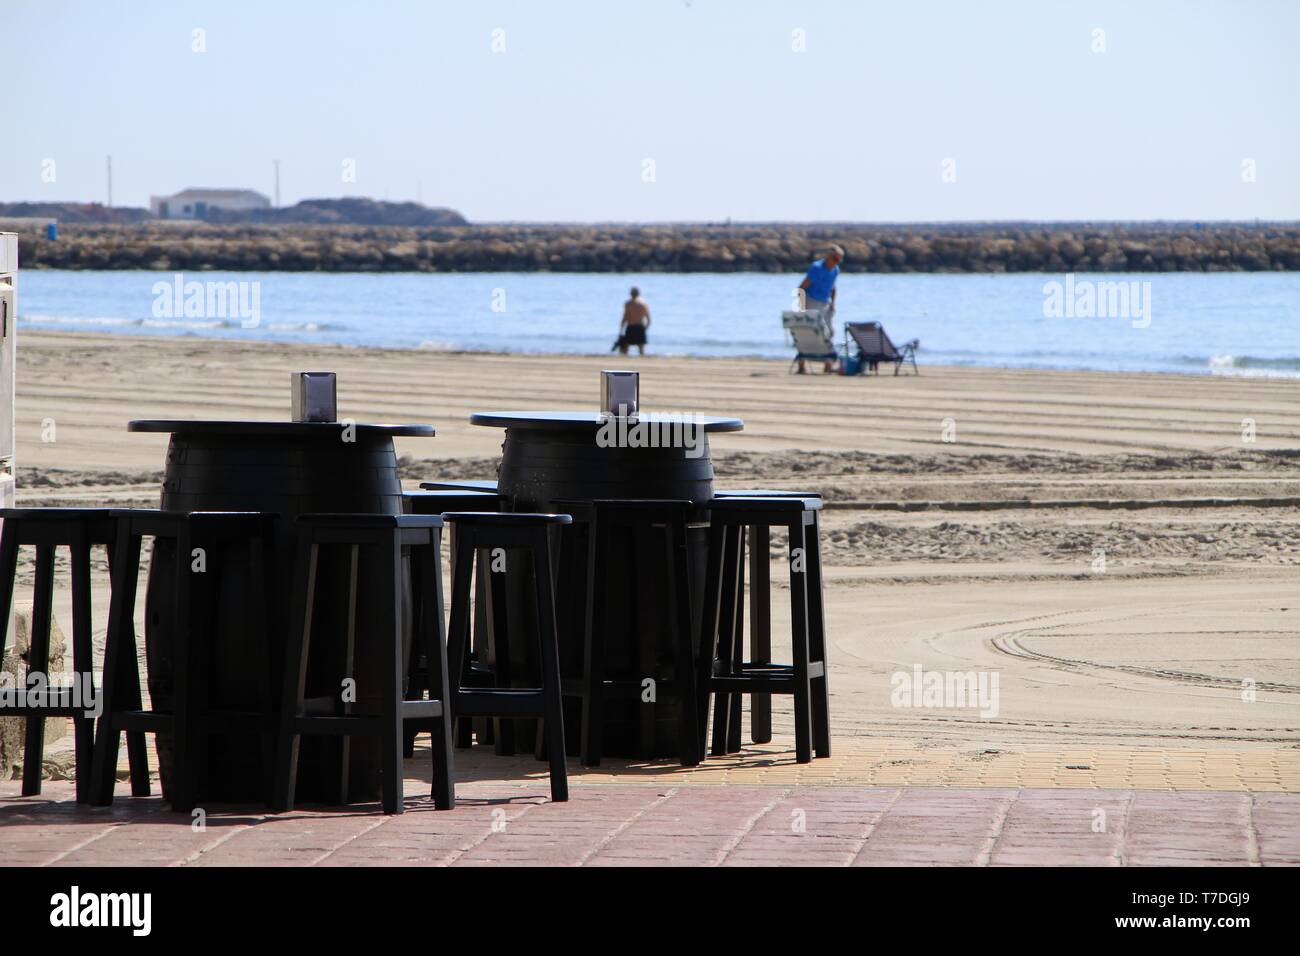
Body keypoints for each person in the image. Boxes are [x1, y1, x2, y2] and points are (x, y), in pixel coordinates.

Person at [795, 244, 843, 373]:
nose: (838, 262)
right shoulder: (817, 268)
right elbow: (801, 288)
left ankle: (828, 363)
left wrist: (833, 303)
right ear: (829, 257)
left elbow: (833, 287)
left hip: (825, 303)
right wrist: (803, 307)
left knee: (830, 332)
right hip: (811, 301)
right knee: (807, 332)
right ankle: (801, 364)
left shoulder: (835, 270)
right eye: (836, 259)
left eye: (840, 259)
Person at [618, 287, 651, 356]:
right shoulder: (644, 304)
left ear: (630, 294)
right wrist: (646, 328)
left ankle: (624, 360)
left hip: (631, 326)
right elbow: (648, 319)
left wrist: (621, 328)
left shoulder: (628, 304)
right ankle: (642, 360)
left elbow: (625, 317)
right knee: (641, 348)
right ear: (638, 294)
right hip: (640, 327)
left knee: (625, 347)